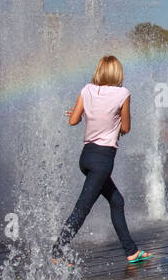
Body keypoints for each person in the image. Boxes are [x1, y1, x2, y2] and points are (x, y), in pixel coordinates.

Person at [51, 55, 150, 264]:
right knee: (82, 208)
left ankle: (131, 251)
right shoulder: (123, 93)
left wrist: (88, 115)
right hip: (103, 160)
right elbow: (126, 128)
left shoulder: (87, 89)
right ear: (117, 73)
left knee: (117, 201)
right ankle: (57, 250)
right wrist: (114, 123)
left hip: (86, 157)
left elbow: (73, 120)